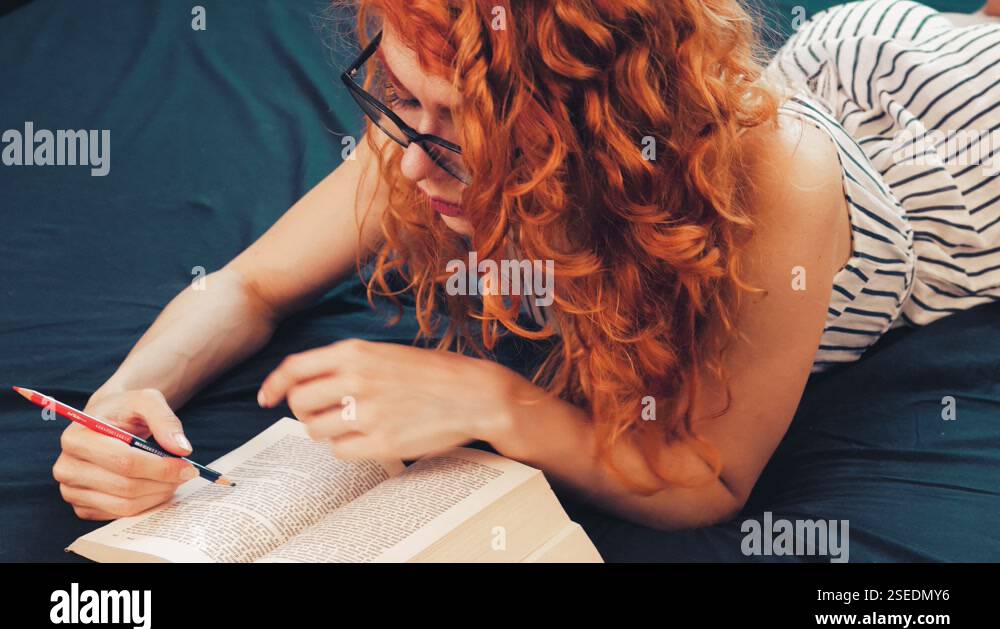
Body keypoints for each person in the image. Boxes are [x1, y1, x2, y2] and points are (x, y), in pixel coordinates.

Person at [52, 0, 1000, 531]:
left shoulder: (774, 184)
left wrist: (494, 402)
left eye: (460, 129)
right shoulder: (442, 111)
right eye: (406, 105)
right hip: (841, 61)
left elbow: (708, 479)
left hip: (955, 178)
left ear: (597, 119)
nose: (412, 164)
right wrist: (123, 401)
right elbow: (246, 285)